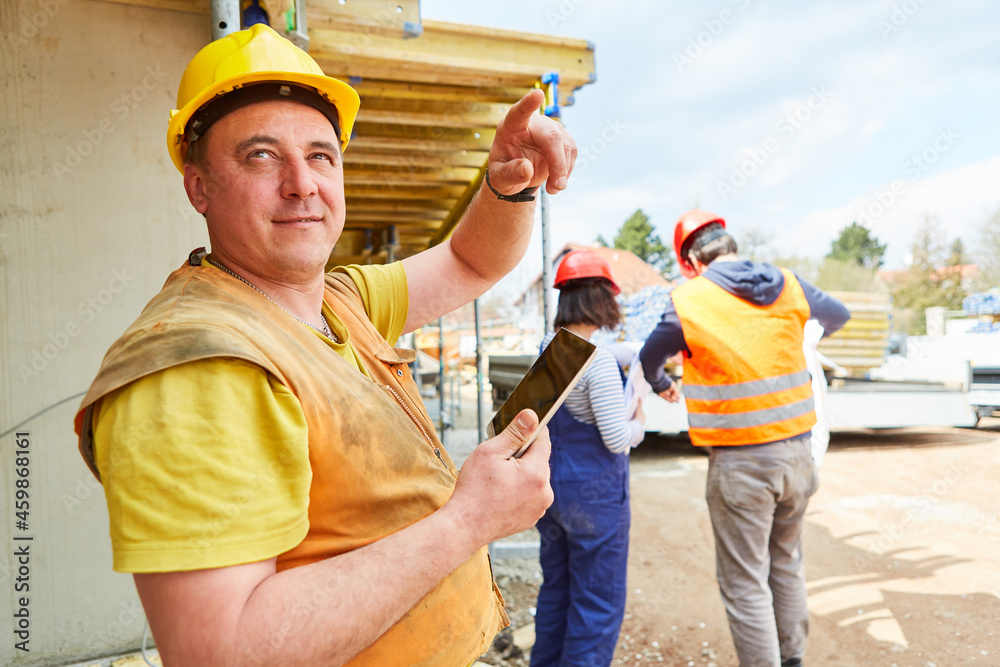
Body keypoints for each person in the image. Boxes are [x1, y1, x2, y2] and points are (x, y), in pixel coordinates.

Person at [73, 24, 577, 666]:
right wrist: (469, 521)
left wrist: (509, 185)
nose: (301, 183)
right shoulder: (195, 364)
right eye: (260, 155)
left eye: (320, 155)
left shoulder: (339, 300)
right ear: (198, 186)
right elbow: (222, 653)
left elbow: (470, 262)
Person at [638, 210, 850, 667]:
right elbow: (838, 315)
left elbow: (649, 356)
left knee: (746, 582)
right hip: (798, 455)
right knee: (786, 563)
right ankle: (792, 659)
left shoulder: (690, 299)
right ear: (728, 245)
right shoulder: (788, 284)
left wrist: (660, 383)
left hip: (741, 464)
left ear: (691, 261)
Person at [531, 250, 646, 667]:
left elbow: (609, 354)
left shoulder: (552, 347)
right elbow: (617, 438)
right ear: (602, 300)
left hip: (554, 492)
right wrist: (640, 422)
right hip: (595, 501)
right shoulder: (596, 364)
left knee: (557, 590)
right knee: (596, 603)